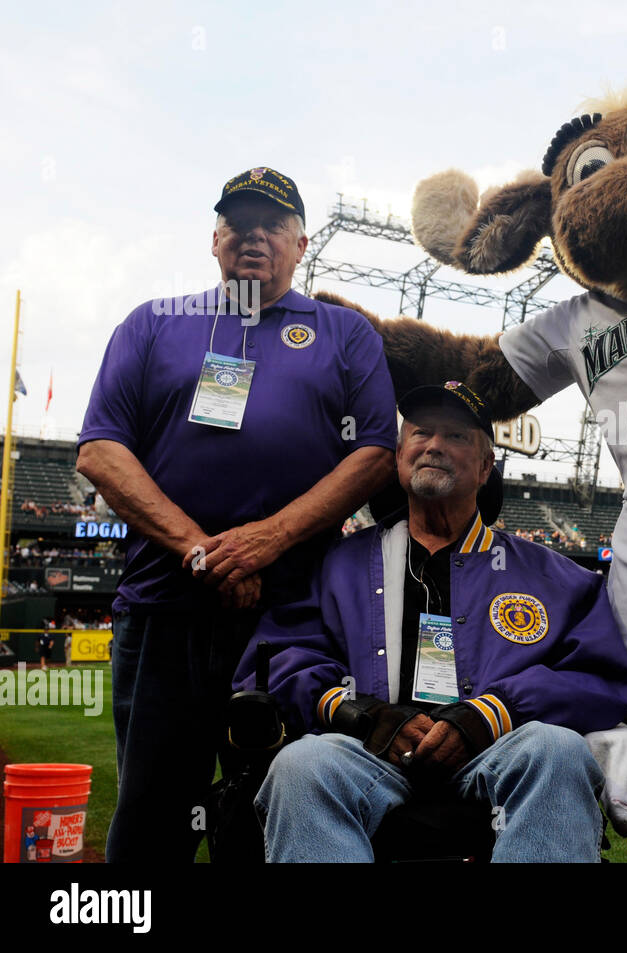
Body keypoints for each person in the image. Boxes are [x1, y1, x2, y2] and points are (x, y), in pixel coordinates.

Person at [76, 167, 398, 861]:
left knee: (284, 811)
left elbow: (375, 452)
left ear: (302, 244)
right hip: (167, 608)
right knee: (152, 816)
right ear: (214, 238)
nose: (254, 235)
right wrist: (201, 548)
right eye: (239, 221)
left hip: (295, 621)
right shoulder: (154, 323)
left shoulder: (344, 334)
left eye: (272, 224)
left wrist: (269, 539)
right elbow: (100, 450)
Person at [237, 382, 627, 861]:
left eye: (457, 437)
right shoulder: (336, 565)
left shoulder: (558, 578)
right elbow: (279, 658)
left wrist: (488, 714)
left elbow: (600, 676)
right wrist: (363, 715)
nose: (434, 445)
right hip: (367, 753)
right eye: (421, 433)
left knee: (557, 750)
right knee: (302, 763)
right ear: (400, 456)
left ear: (486, 466)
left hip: (501, 751)